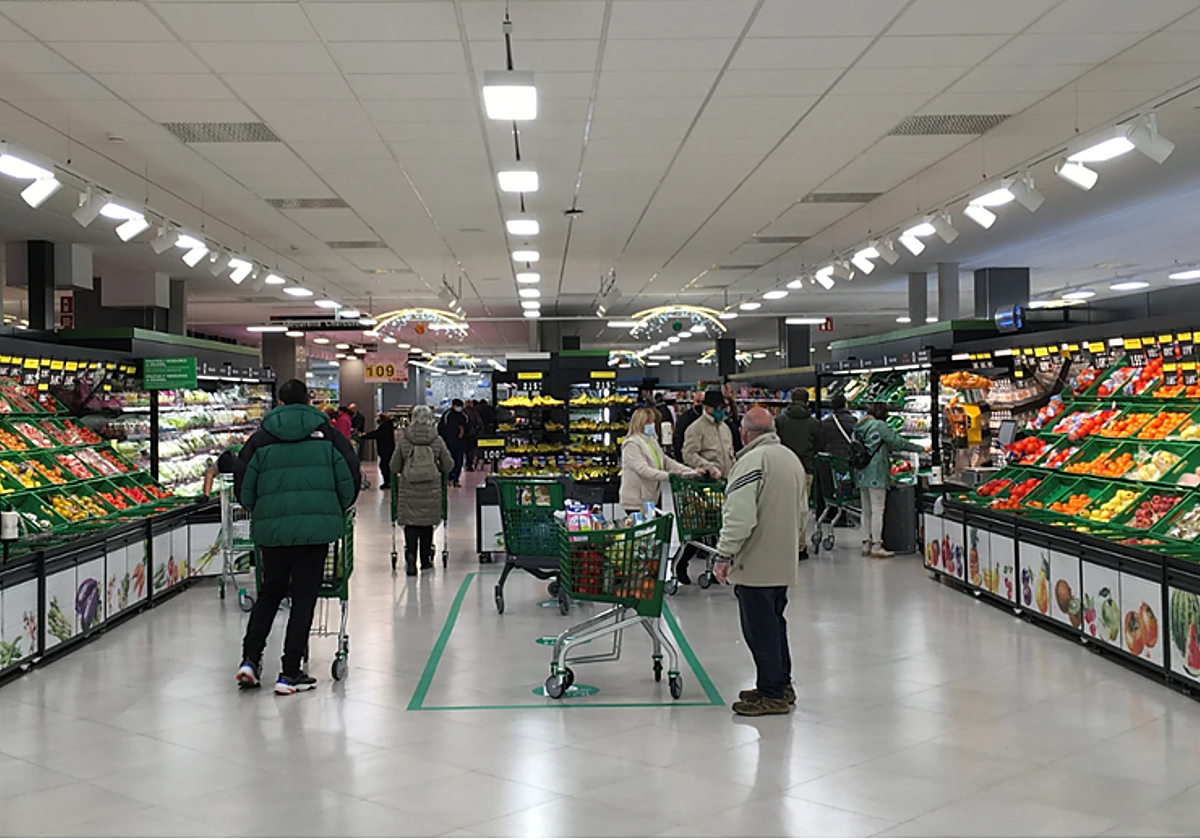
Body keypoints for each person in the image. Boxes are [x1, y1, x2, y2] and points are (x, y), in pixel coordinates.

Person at [235, 379, 360, 695]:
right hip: (315, 532)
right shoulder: (328, 436)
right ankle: (289, 673)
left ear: (279, 402)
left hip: (272, 533)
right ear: (308, 400)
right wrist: (334, 508)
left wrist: (262, 510)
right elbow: (350, 477)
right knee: (304, 597)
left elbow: (243, 486)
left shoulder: (260, 439)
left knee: (270, 593)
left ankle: (250, 660)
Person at [712, 407, 806, 717]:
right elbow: (804, 512)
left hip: (756, 562)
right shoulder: (790, 458)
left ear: (745, 433)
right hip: (783, 559)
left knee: (759, 630)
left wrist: (724, 554)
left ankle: (771, 694)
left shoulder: (751, 462)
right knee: (775, 624)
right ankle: (780, 683)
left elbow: (739, 517)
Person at [853, 402, 927, 559]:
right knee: (878, 509)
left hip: (861, 471)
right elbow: (897, 442)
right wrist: (921, 449)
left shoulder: (859, 426)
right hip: (876, 472)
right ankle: (877, 546)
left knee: (866, 509)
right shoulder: (879, 426)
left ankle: (866, 543)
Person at [678, 389, 736, 584]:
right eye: (719, 408)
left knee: (722, 528)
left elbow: (730, 453)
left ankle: (717, 568)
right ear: (708, 408)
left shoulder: (725, 428)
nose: (722, 412)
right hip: (703, 488)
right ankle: (681, 564)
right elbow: (688, 454)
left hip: (724, 485)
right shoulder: (696, 429)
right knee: (699, 529)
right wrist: (707, 467)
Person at [390, 405, 454, 575]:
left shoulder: (404, 440)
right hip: (431, 488)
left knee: (411, 524)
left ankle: (411, 556)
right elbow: (449, 465)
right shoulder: (437, 440)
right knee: (427, 524)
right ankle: (425, 560)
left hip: (408, 489)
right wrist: (437, 466)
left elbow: (394, 466)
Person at [775, 388, 823, 561]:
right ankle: (800, 547)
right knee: (801, 509)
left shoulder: (780, 420)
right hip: (805, 469)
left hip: (782, 469)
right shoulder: (814, 423)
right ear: (807, 402)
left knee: (782, 508)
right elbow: (819, 446)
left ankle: (782, 545)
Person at [619, 407, 691, 513]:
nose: (652, 424)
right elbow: (643, 470)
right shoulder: (631, 444)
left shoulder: (651, 440)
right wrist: (668, 476)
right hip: (636, 502)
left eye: (652, 421)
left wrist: (689, 471)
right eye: (648, 422)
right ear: (640, 423)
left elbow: (665, 461)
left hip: (651, 499)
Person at [360, 412, 396, 489]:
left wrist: (365, 436)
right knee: (385, 465)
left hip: (385, 449)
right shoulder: (388, 426)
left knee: (384, 465)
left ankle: (388, 481)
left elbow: (377, 434)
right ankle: (388, 481)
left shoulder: (384, 426)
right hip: (388, 449)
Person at [438, 398, 469, 487]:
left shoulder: (464, 416)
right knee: (449, 462)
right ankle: (449, 478)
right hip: (449, 444)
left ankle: (456, 479)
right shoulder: (447, 415)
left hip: (460, 444)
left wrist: (464, 432)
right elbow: (441, 429)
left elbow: (468, 428)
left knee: (459, 462)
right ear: (453, 406)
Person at [821, 394, 858, 461]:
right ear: (845, 404)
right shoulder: (853, 420)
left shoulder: (825, 422)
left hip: (831, 456)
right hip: (848, 456)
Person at [673, 392, 703, 461]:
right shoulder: (684, 419)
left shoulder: (708, 419)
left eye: (703, 402)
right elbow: (678, 440)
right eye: (698, 401)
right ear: (693, 402)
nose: (700, 405)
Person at [463, 400, 483, 472]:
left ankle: (466, 463)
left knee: (465, 450)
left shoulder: (463, 412)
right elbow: (480, 422)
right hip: (472, 433)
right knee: (471, 450)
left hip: (463, 434)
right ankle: (469, 464)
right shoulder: (474, 412)